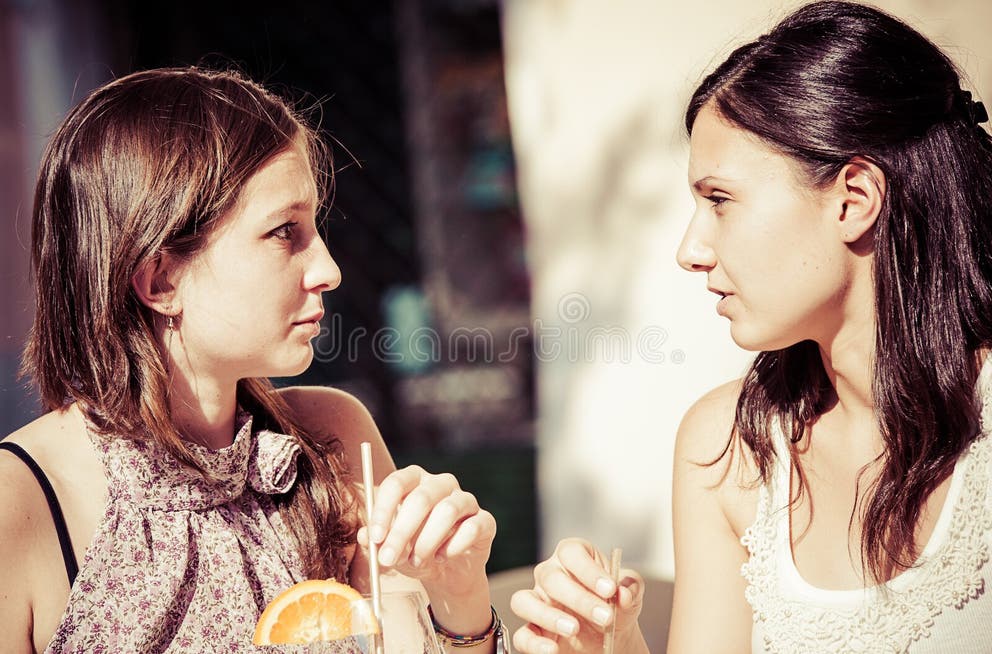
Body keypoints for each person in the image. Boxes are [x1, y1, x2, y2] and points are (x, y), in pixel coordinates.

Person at [510, 1, 992, 652]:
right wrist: (611, 644)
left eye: (720, 200)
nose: (690, 249)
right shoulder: (726, 449)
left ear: (854, 200)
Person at [0, 67, 505, 654]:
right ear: (160, 279)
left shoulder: (331, 443)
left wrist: (461, 601)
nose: (329, 270)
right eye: (284, 232)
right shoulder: (23, 503)